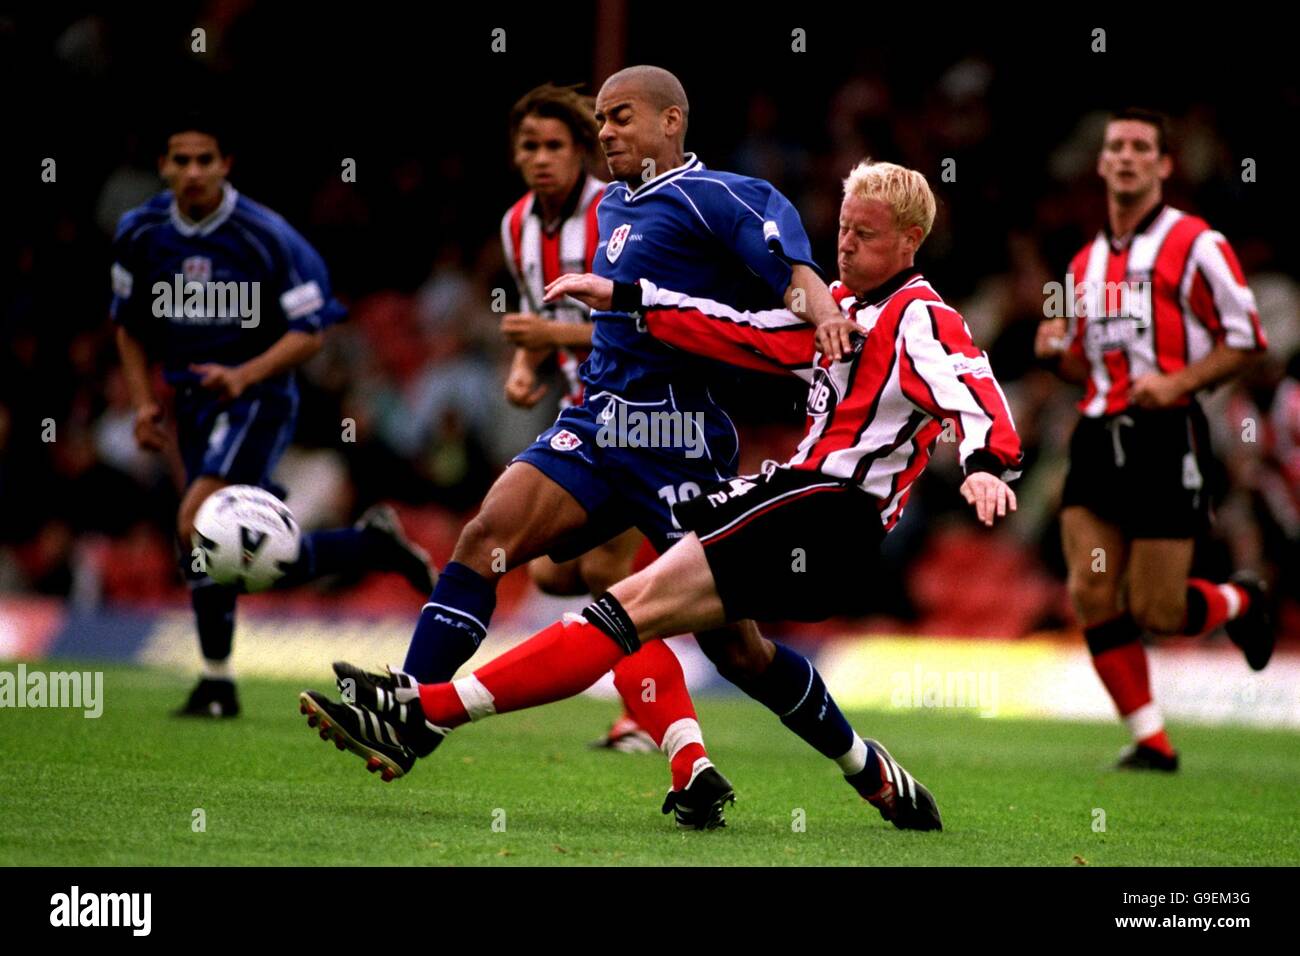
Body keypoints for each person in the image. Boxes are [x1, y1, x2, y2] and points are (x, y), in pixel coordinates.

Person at [305, 159, 1023, 832]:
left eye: (864, 236)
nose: (844, 245)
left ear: (911, 240)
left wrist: (986, 462)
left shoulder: (920, 315)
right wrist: (625, 298)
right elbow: (737, 331)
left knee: (627, 607)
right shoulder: (833, 312)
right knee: (730, 649)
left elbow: (973, 387)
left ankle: (421, 711)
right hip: (803, 514)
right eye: (841, 228)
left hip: (826, 509)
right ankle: (869, 771)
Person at [297, 65, 852, 831]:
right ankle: (408, 714)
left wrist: (823, 316)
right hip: (595, 424)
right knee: (486, 536)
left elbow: (793, 274)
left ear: (672, 122)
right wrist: (534, 364)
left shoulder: (722, 195)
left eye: (620, 117)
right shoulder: (608, 210)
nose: (607, 132)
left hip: (678, 444)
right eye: (601, 119)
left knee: (739, 652)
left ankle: (858, 761)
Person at [111, 115, 435, 718]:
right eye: (180, 160)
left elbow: (311, 330)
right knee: (228, 549)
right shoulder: (141, 232)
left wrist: (245, 373)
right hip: (189, 402)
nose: (192, 172)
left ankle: (217, 683)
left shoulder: (265, 234)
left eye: (204, 159)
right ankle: (363, 547)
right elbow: (127, 324)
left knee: (195, 524)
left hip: (256, 399)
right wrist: (142, 401)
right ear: (162, 166)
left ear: (226, 163)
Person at [1034, 108, 1273, 771]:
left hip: (1167, 436)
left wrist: (1178, 384)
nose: (1128, 156)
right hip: (1095, 432)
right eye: (1117, 146)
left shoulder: (1197, 243)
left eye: (1142, 147)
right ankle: (1151, 739)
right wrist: (1052, 346)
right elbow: (1063, 341)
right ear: (1102, 162)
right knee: (1089, 587)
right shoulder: (1080, 264)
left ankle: (1241, 598)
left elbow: (1249, 338)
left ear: (1165, 165)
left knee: (1158, 610)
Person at [498, 82, 653, 753]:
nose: (541, 158)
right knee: (549, 573)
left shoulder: (614, 217)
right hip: (578, 411)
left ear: (582, 151)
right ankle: (671, 630)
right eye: (529, 146)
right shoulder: (514, 227)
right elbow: (548, 327)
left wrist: (549, 339)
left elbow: (645, 331)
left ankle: (651, 726)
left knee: (602, 575)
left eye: (554, 145)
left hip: (645, 412)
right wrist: (526, 368)